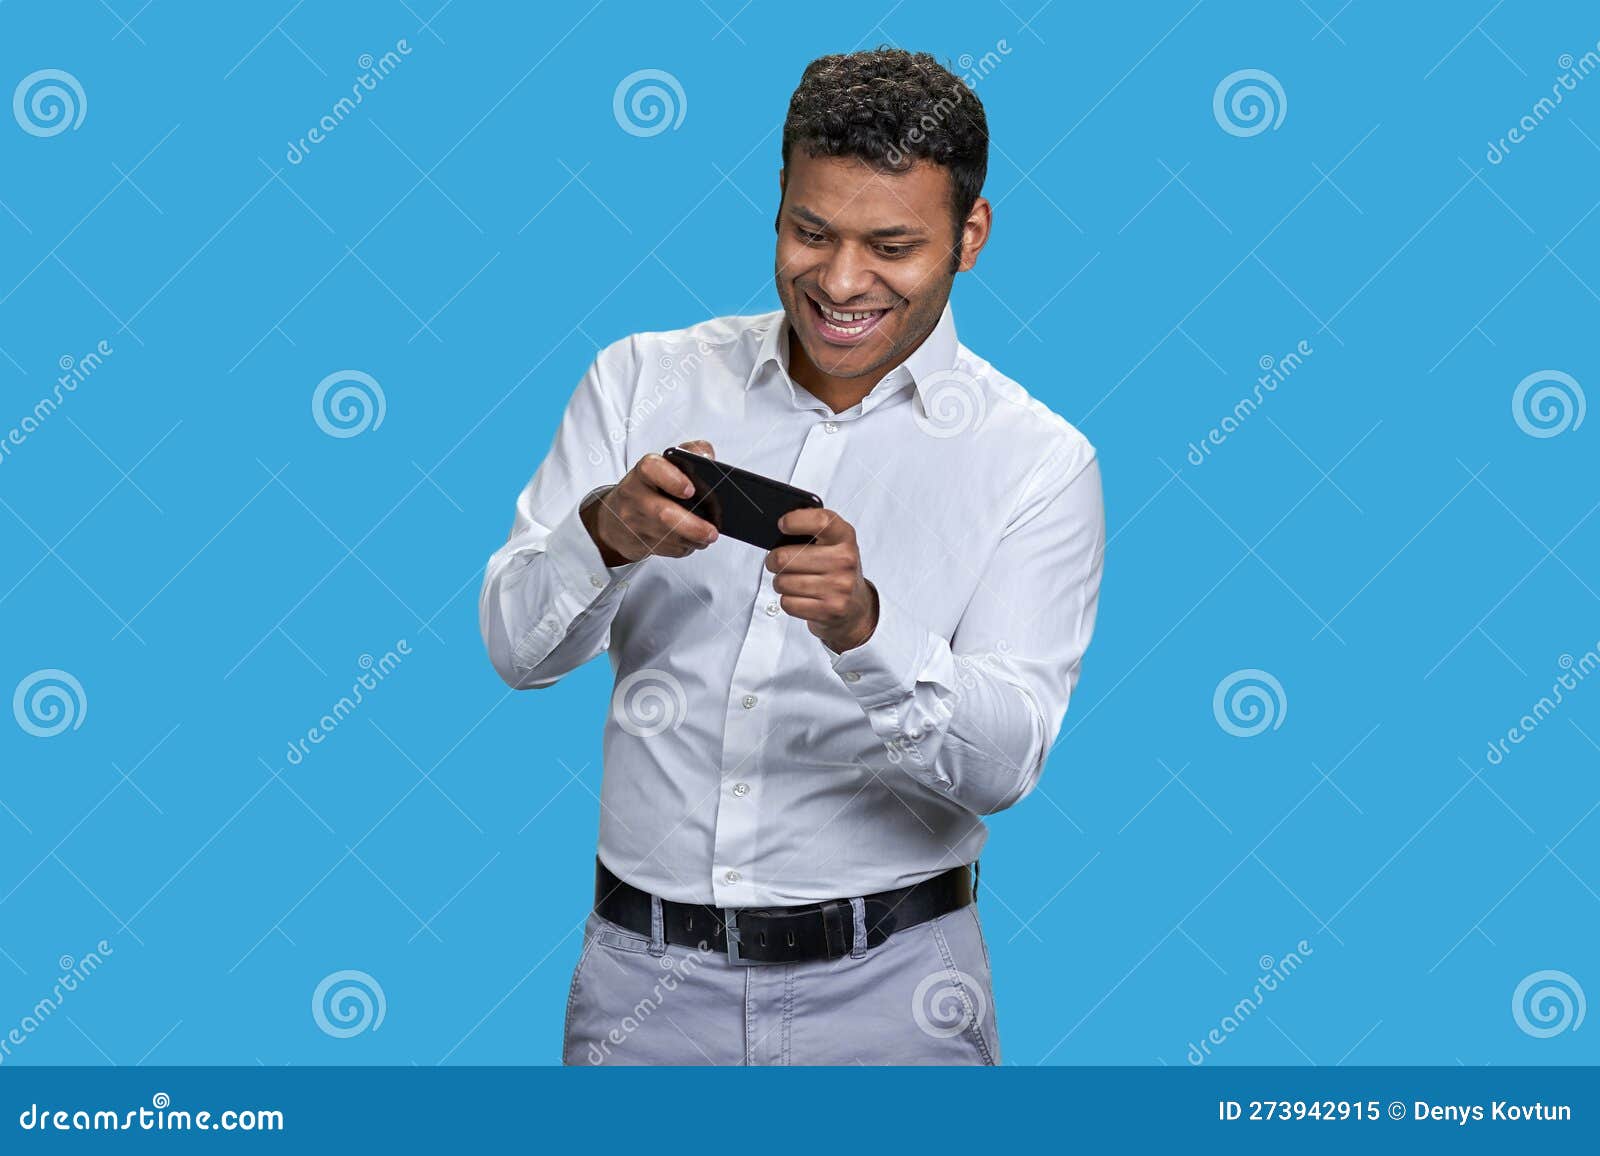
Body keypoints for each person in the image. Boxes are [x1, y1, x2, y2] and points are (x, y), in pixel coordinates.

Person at [478, 47, 1105, 1065]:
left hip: (896, 996)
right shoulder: (640, 378)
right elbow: (515, 649)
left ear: (970, 236)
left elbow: (1005, 763)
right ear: (776, 203)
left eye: (891, 245)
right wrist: (605, 534)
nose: (842, 281)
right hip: (642, 990)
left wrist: (868, 630)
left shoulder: (1036, 462)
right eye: (811, 232)